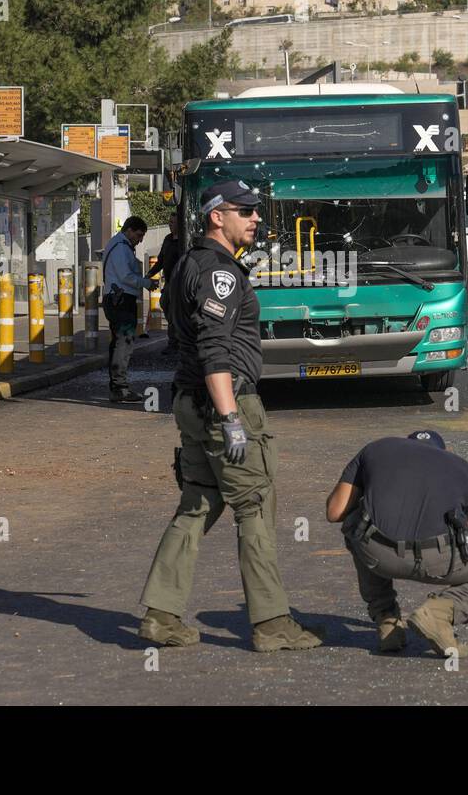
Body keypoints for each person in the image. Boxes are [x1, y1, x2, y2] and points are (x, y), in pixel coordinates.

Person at [138, 180, 322, 653]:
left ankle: (161, 616)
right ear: (217, 216)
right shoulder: (220, 273)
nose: (256, 218)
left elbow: (178, 333)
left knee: (198, 504)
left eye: (257, 211)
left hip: (189, 401)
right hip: (225, 402)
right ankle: (272, 624)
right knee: (255, 507)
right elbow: (212, 346)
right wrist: (231, 417)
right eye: (246, 211)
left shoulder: (184, 265)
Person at [325, 430, 468, 657]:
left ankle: (387, 620)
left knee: (355, 522)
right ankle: (442, 611)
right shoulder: (462, 467)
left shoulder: (376, 448)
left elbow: (334, 511)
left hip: (378, 553)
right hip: (440, 561)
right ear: (444, 452)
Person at [102, 215, 156, 402]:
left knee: (118, 343)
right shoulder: (121, 248)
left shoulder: (115, 244)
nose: (140, 240)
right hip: (121, 299)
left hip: (115, 299)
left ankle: (116, 386)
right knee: (123, 343)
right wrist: (146, 283)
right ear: (129, 230)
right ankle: (120, 388)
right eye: (139, 235)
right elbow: (125, 276)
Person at [146, 211, 182, 354]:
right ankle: (175, 340)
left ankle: (174, 343)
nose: (170, 225)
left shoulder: (184, 240)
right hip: (169, 282)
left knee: (174, 312)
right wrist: (150, 273)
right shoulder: (168, 239)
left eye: (172, 223)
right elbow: (161, 260)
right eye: (169, 222)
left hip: (180, 282)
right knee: (165, 305)